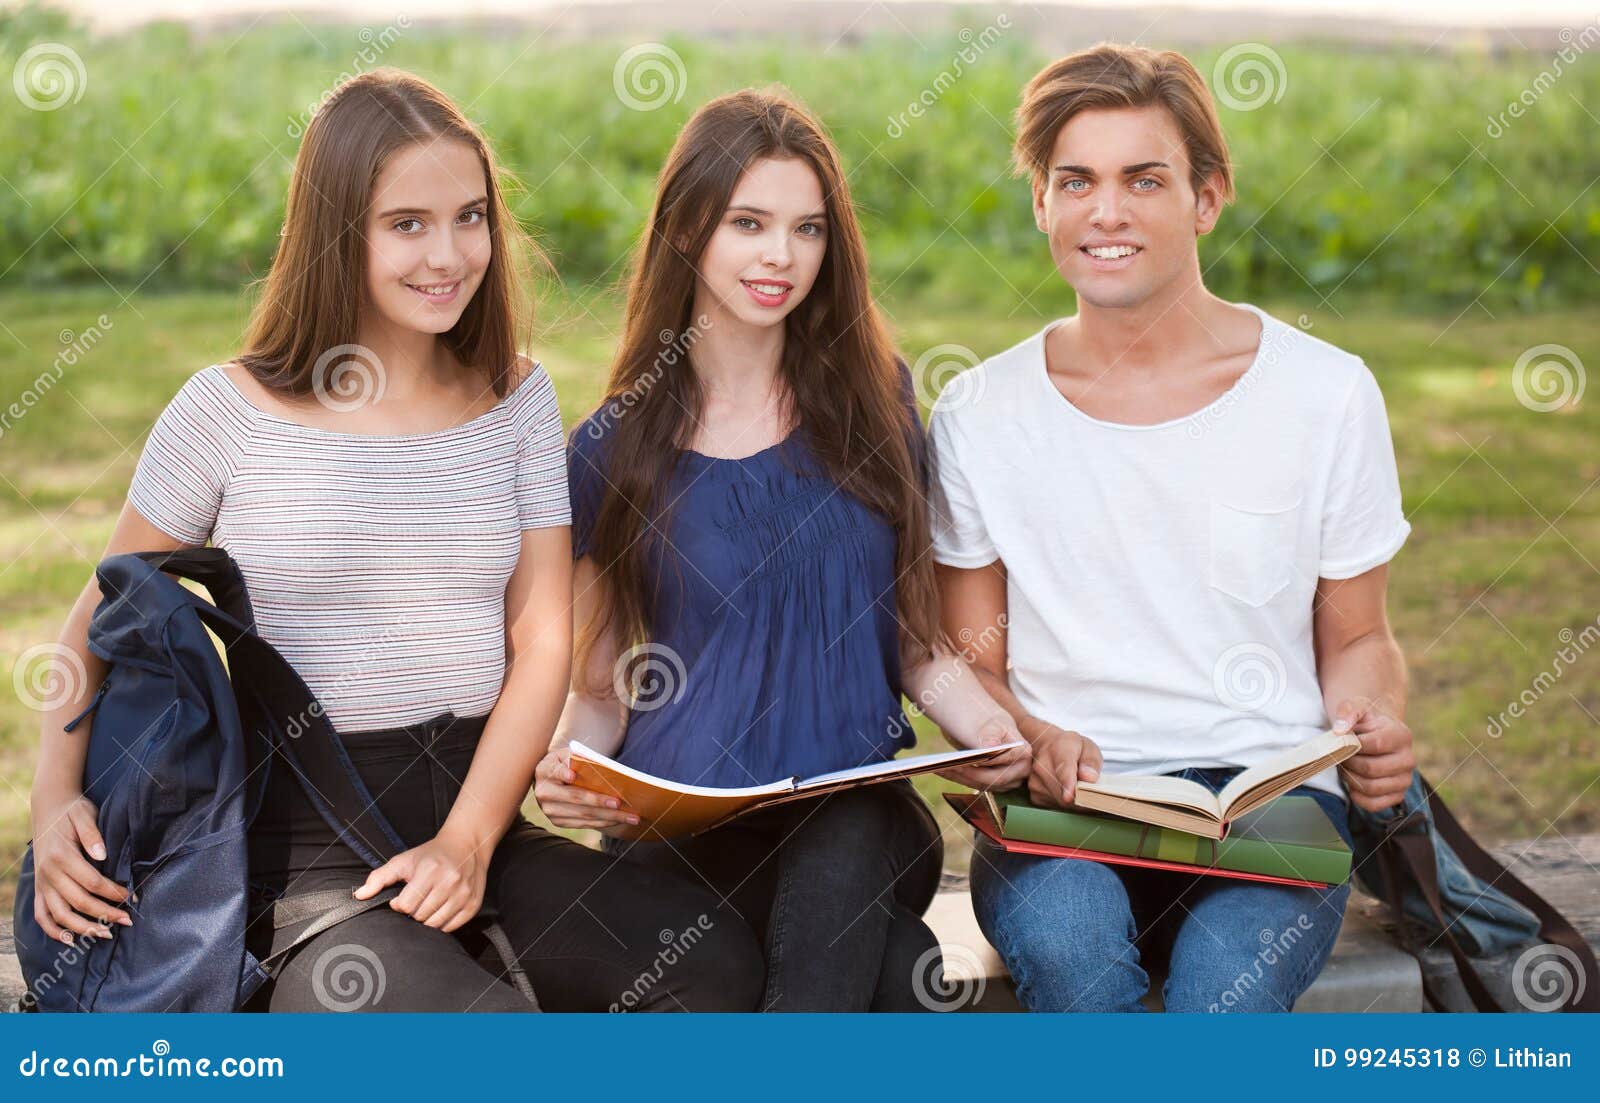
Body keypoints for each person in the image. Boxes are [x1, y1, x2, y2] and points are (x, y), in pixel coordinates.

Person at [27, 68, 762, 1013]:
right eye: (405, 224)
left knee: (711, 964)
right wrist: (55, 802)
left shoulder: (516, 398)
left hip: (472, 818)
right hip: (308, 867)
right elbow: (97, 615)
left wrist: (467, 841)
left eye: (469, 217)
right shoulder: (225, 412)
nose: (449, 254)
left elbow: (539, 640)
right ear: (340, 235)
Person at [927, 44, 1416, 1012]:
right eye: (1076, 181)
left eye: (1142, 180)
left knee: (1222, 1000)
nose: (1105, 211)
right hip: (1064, 809)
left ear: (1206, 196)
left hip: (1268, 801)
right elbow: (971, 656)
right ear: (1041, 202)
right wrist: (1022, 729)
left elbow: (1358, 636)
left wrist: (1373, 724)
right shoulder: (980, 412)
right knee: (1075, 969)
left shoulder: (1325, 393)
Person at [531, 88, 1030, 1012]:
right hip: (682, 835)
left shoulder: (877, 403)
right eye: (749, 223)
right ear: (687, 233)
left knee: (843, 834)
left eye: (807, 229)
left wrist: (992, 727)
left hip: (861, 819)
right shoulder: (615, 446)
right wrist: (567, 770)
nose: (781, 256)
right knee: (895, 979)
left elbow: (916, 644)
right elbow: (600, 688)